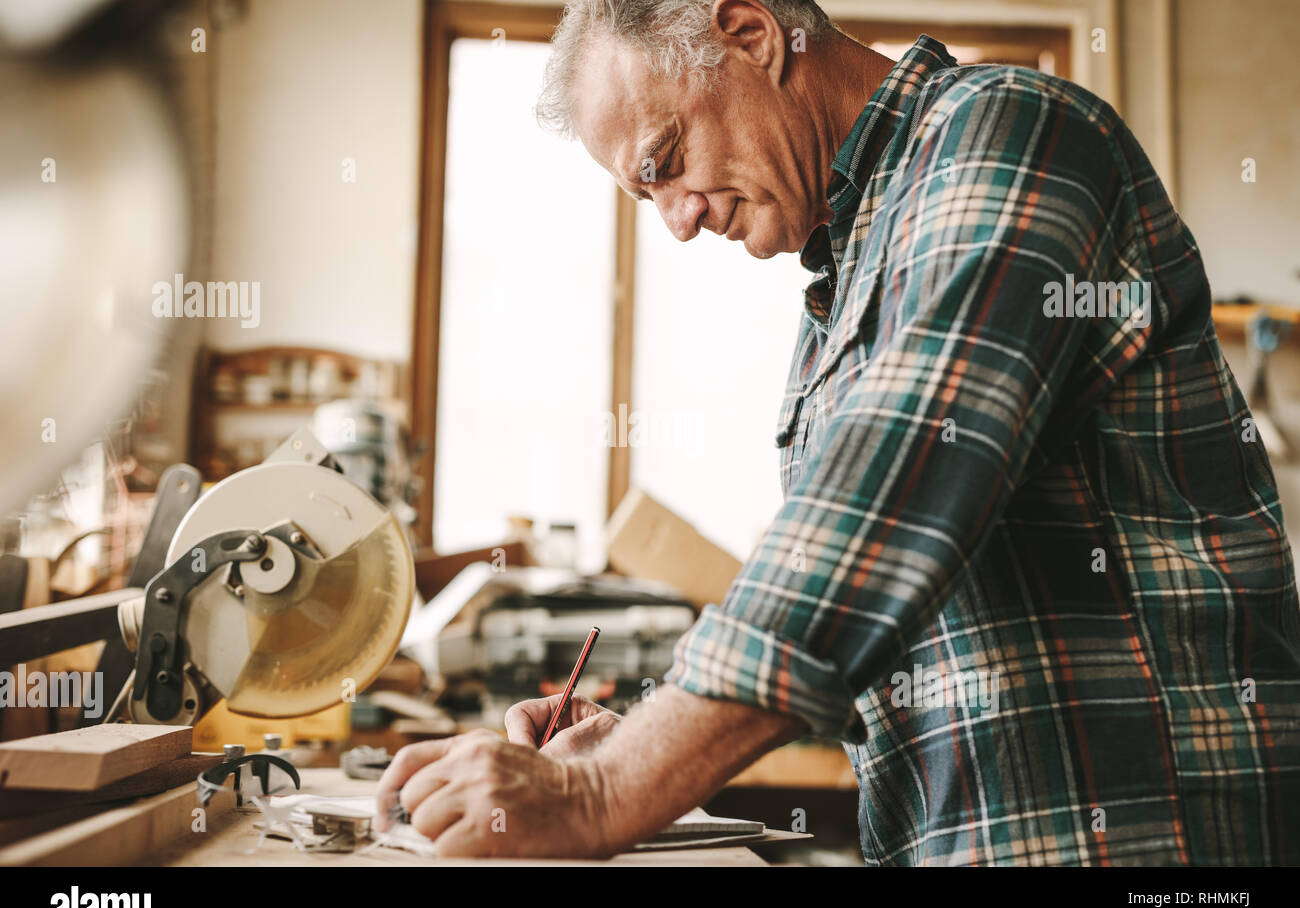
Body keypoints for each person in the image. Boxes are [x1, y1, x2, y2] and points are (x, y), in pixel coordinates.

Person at [376, 0, 1300, 864]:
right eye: (644, 197)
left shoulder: (1009, 132)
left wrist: (602, 792)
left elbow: (888, 501)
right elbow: (880, 633)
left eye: (664, 163)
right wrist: (649, 733)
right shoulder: (841, 286)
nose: (680, 223)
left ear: (750, 34)